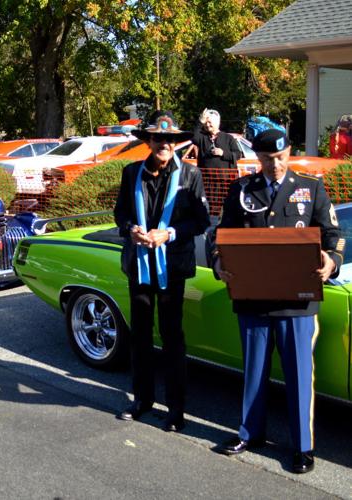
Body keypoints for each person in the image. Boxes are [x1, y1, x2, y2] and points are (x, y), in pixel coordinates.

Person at [210, 128, 343, 474]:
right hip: (253, 298)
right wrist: (219, 261)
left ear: (290, 153)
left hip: (297, 303)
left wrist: (331, 261)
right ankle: (250, 433)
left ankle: (302, 447)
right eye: (268, 159)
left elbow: (333, 234)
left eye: (281, 158)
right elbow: (221, 234)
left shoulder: (311, 188)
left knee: (299, 375)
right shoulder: (241, 190)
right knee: (254, 371)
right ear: (258, 157)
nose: (275, 165)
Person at [113, 110, 211, 432]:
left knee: (172, 338)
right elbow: (121, 214)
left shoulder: (190, 176)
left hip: (172, 267)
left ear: (175, 143)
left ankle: (176, 409)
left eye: (169, 140)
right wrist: (131, 229)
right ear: (149, 142)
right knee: (139, 335)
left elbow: (200, 221)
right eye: (158, 139)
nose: (164, 145)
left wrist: (167, 234)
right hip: (139, 267)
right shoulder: (131, 174)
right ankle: (142, 400)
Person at [190, 109, 242, 215]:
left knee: (224, 207)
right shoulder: (202, 137)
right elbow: (193, 136)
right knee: (207, 206)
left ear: (217, 122)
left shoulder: (228, 138)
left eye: (210, 122)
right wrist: (201, 121)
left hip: (224, 181)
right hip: (206, 180)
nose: (207, 125)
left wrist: (223, 153)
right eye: (206, 123)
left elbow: (238, 154)